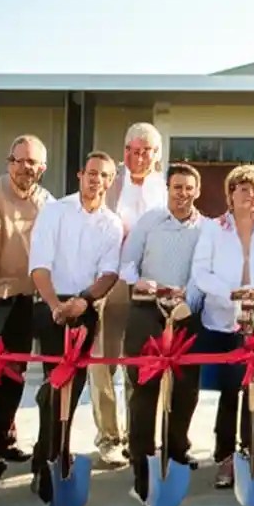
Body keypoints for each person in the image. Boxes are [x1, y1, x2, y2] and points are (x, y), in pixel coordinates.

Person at [26, 151, 124, 502]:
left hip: (84, 306)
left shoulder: (112, 223)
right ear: (80, 175)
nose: (97, 179)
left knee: (74, 387)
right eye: (92, 172)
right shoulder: (55, 212)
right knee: (56, 389)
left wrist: (83, 301)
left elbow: (109, 273)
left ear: (111, 182)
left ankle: (55, 453)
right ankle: (48, 460)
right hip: (50, 305)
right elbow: (39, 265)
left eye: (105, 175)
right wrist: (55, 305)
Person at [191, 165, 254, 489]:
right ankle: (224, 457)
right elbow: (201, 273)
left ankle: (250, 452)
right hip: (222, 322)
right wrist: (232, 294)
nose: (248, 195)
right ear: (230, 194)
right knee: (230, 391)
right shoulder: (213, 229)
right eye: (241, 189)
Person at [0, 134, 55, 464]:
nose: (24, 168)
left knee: (15, 371)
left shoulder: (46, 201)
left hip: (25, 299)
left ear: (42, 167)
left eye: (32, 162)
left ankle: (2, 436)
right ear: (9, 162)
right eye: (18, 160)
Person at [120, 163, 207, 503]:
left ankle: (176, 450)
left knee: (185, 389)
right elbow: (127, 262)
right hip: (147, 311)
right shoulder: (149, 221)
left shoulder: (208, 228)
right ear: (168, 188)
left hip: (186, 313)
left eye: (189, 188)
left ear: (197, 191)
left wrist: (190, 296)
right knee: (144, 389)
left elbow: (207, 269)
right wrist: (138, 281)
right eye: (177, 187)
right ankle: (142, 459)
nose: (183, 194)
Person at [93, 122, 168, 466]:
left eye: (146, 151)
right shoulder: (108, 181)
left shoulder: (167, 187)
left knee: (141, 362)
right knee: (104, 361)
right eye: (132, 150)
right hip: (111, 279)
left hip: (152, 283)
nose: (138, 158)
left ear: (157, 154)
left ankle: (140, 436)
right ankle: (109, 435)